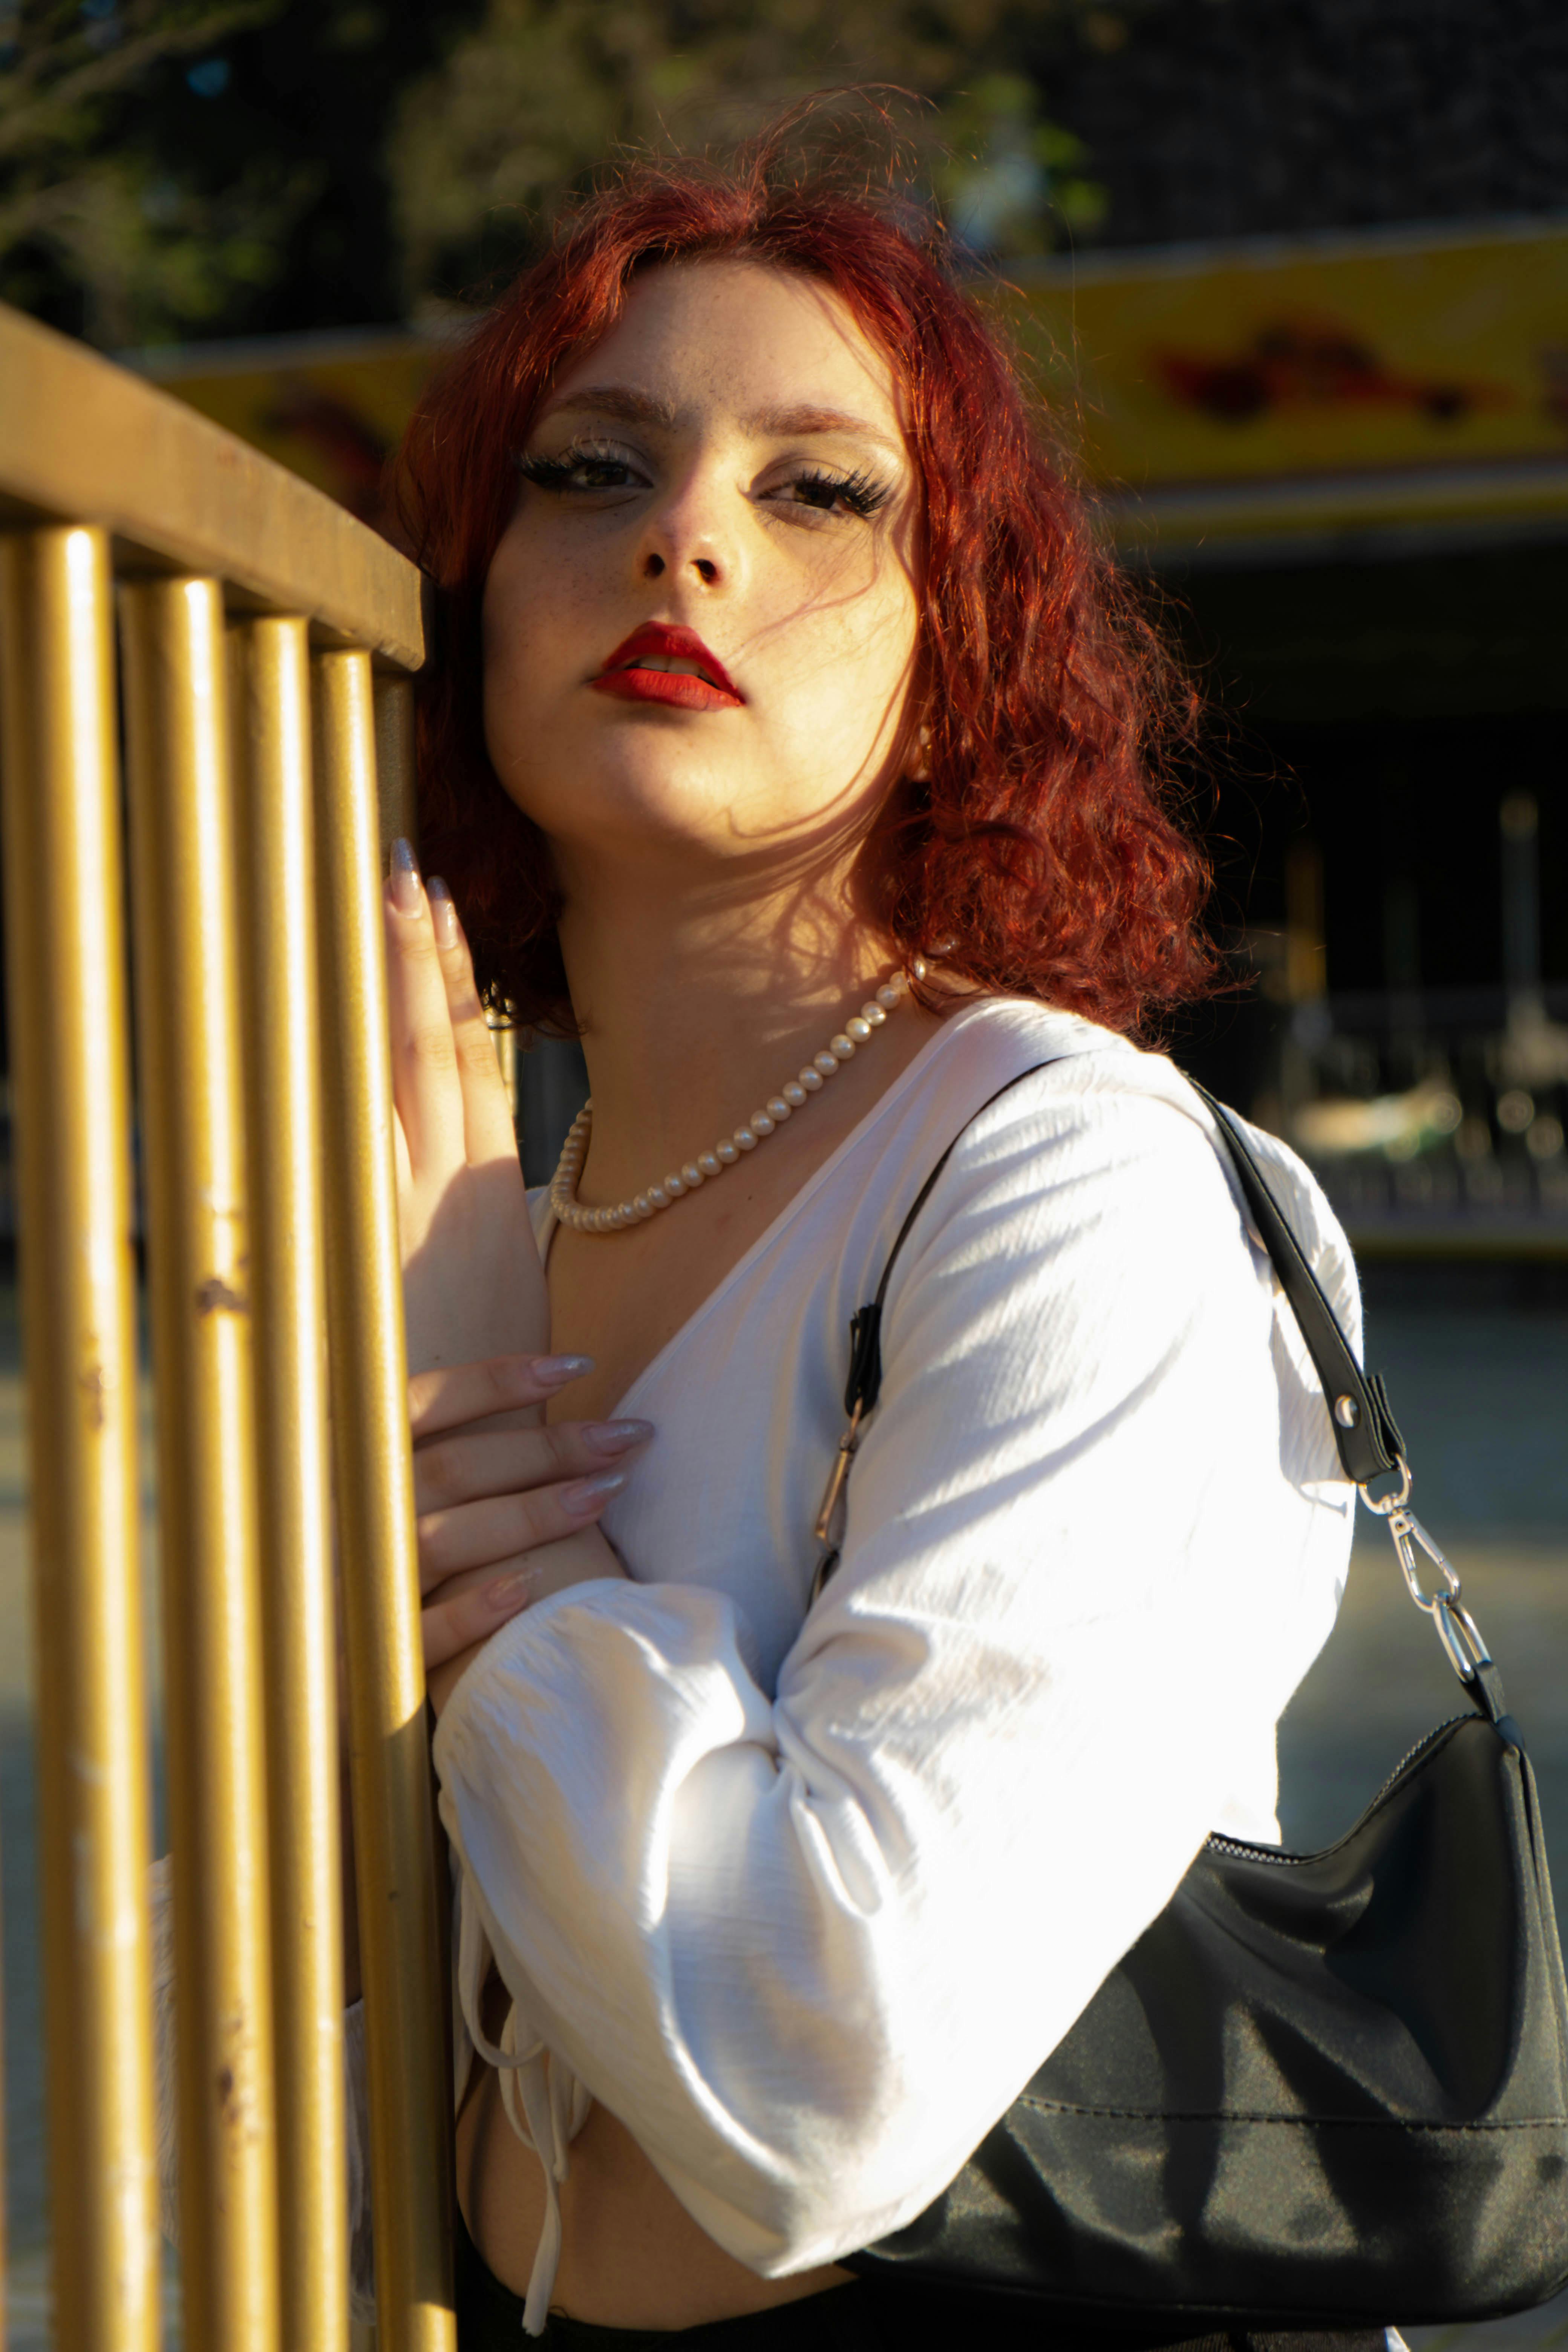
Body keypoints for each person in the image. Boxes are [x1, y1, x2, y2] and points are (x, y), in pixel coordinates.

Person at [374, 135, 1378, 2349]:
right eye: (587, 465)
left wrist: (514, 1574)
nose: (687, 533)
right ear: (466, 592)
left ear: (966, 641)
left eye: (821, 491)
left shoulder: (1058, 1176)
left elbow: (829, 2079)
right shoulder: (506, 1214)